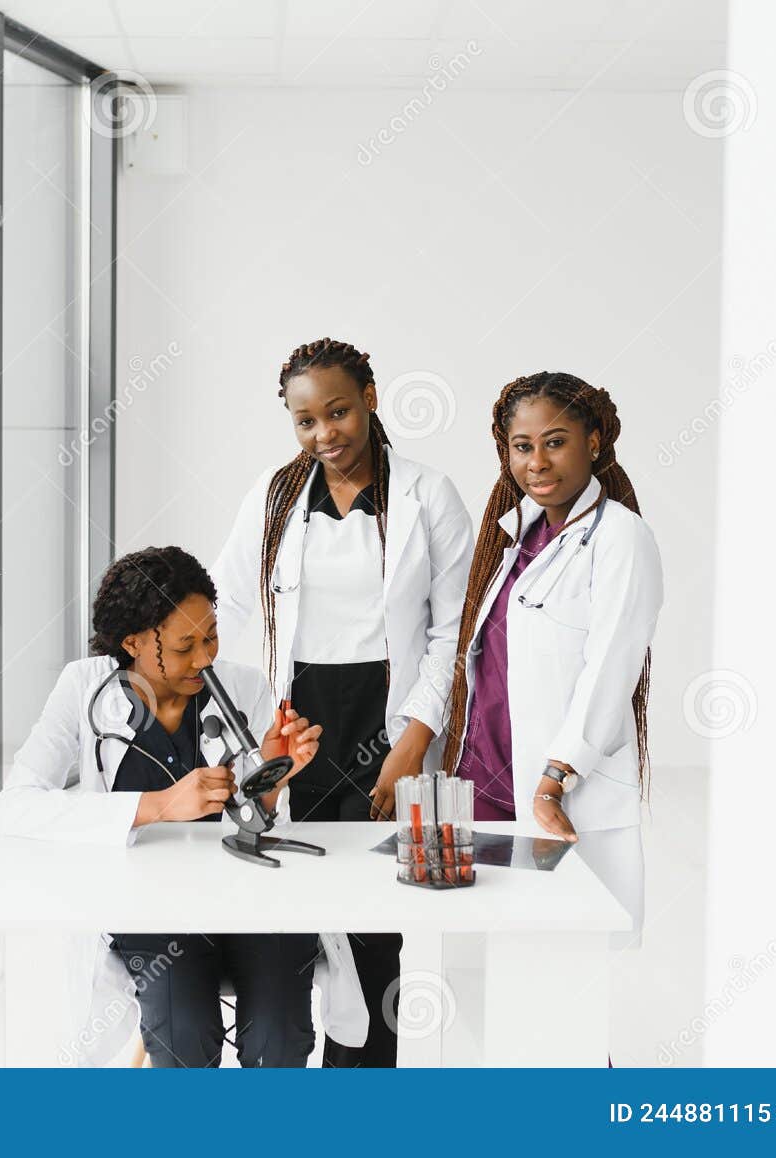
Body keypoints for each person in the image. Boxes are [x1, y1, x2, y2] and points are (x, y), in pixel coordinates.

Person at [0, 546, 368, 1067]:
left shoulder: (242, 687)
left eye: (211, 635)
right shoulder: (84, 688)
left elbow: (260, 824)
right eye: (185, 644)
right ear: (133, 643)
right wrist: (158, 805)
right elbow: (17, 805)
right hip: (151, 909)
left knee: (279, 1035)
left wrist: (271, 778)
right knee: (185, 1031)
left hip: (251, 904)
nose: (205, 658)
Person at [211, 337, 473, 1066]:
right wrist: (257, 712)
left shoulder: (429, 495)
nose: (325, 433)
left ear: (371, 400)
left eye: (339, 412)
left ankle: (361, 1088)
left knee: (374, 918)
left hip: (389, 718)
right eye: (305, 420)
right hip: (301, 725)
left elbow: (455, 631)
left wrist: (412, 743)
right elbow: (231, 598)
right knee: (303, 903)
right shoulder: (273, 495)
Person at [442, 371, 663, 948]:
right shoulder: (513, 538)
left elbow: (611, 667)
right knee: (486, 965)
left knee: (562, 970)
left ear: (593, 442)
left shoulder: (620, 537)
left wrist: (554, 779)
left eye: (555, 441)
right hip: (484, 783)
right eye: (522, 446)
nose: (537, 461)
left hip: (552, 792)